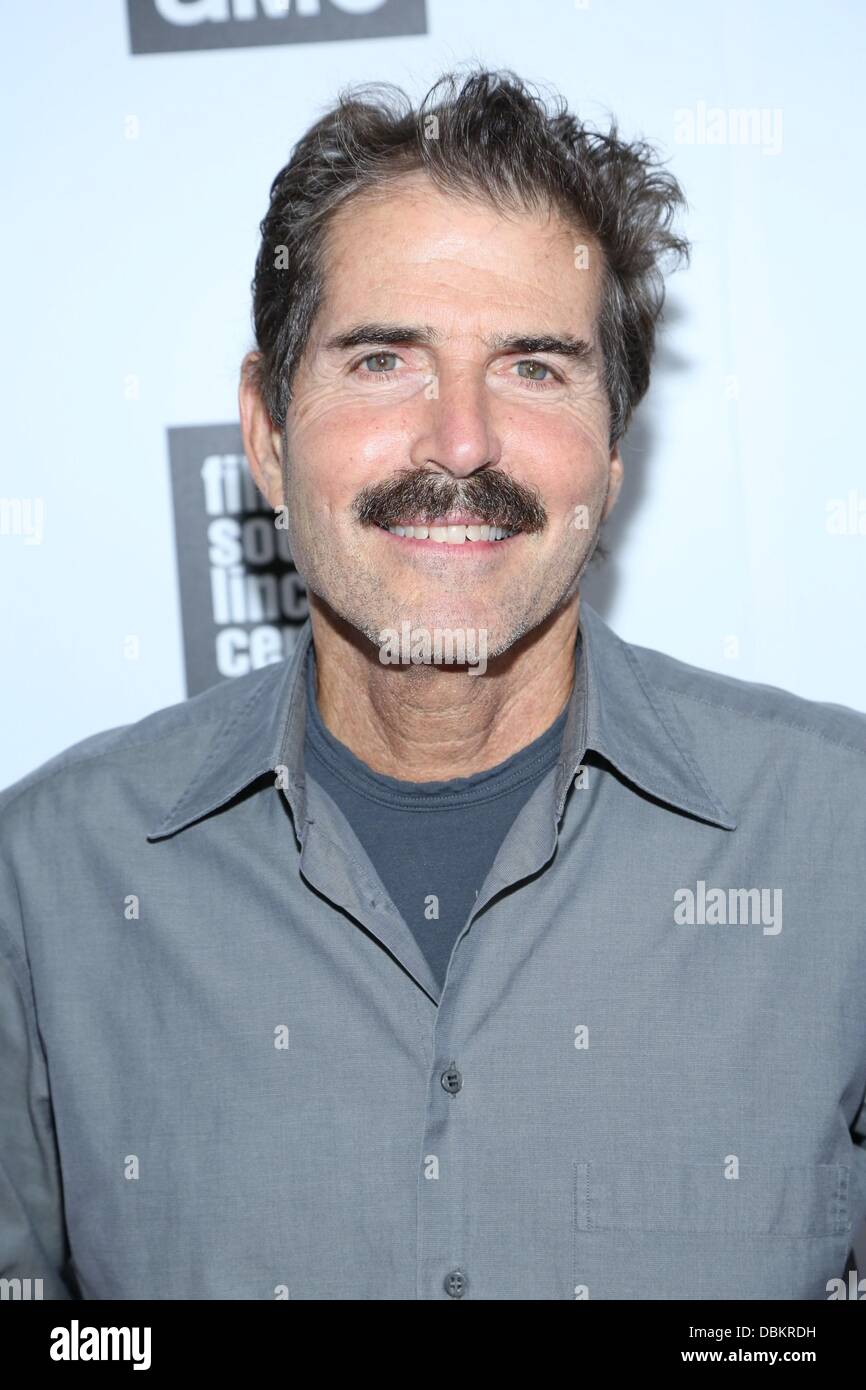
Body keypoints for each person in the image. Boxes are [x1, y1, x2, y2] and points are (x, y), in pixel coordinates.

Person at [1, 68, 864, 1302]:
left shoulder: (839, 846)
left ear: (612, 454)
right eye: (382, 359)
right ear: (263, 432)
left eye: (532, 367)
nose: (458, 443)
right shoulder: (45, 884)